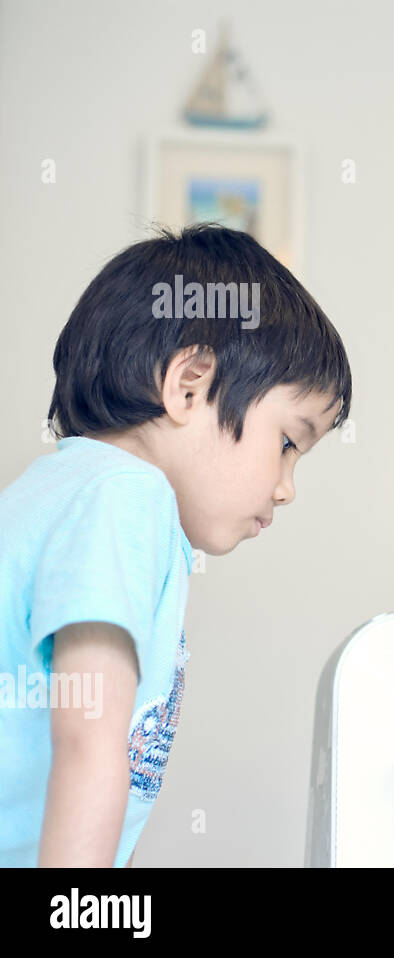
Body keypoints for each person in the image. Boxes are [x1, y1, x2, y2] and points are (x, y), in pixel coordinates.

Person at [0, 224, 352, 867]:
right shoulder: (123, 499)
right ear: (188, 385)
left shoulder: (65, 492)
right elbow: (89, 738)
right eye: (286, 443)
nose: (286, 488)